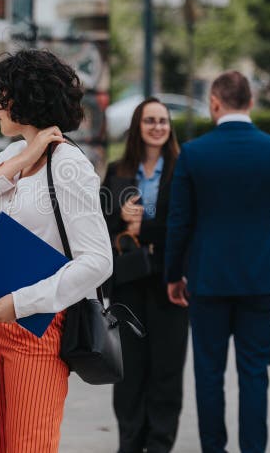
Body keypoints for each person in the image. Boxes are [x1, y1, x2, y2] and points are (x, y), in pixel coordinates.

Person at [0, 49, 113, 452]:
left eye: (3, 94)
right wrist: (20, 160)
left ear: (29, 98)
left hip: (34, 321)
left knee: (29, 445)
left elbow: (98, 261)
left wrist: (21, 303)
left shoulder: (70, 165)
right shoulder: (12, 155)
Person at [164, 71, 270, 453]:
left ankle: (214, 448)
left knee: (209, 374)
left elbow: (179, 222)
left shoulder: (194, 153)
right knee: (254, 373)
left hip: (207, 279)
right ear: (251, 102)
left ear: (214, 102)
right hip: (260, 280)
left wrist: (173, 275)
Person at [101, 97, 188, 453]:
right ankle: (129, 443)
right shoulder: (117, 170)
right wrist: (121, 218)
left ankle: (160, 444)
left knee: (167, 371)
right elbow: (99, 226)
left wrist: (145, 228)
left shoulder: (183, 170)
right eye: (150, 120)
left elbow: (188, 225)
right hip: (128, 282)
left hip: (170, 281)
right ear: (137, 126)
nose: (157, 127)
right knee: (130, 372)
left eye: (163, 121)